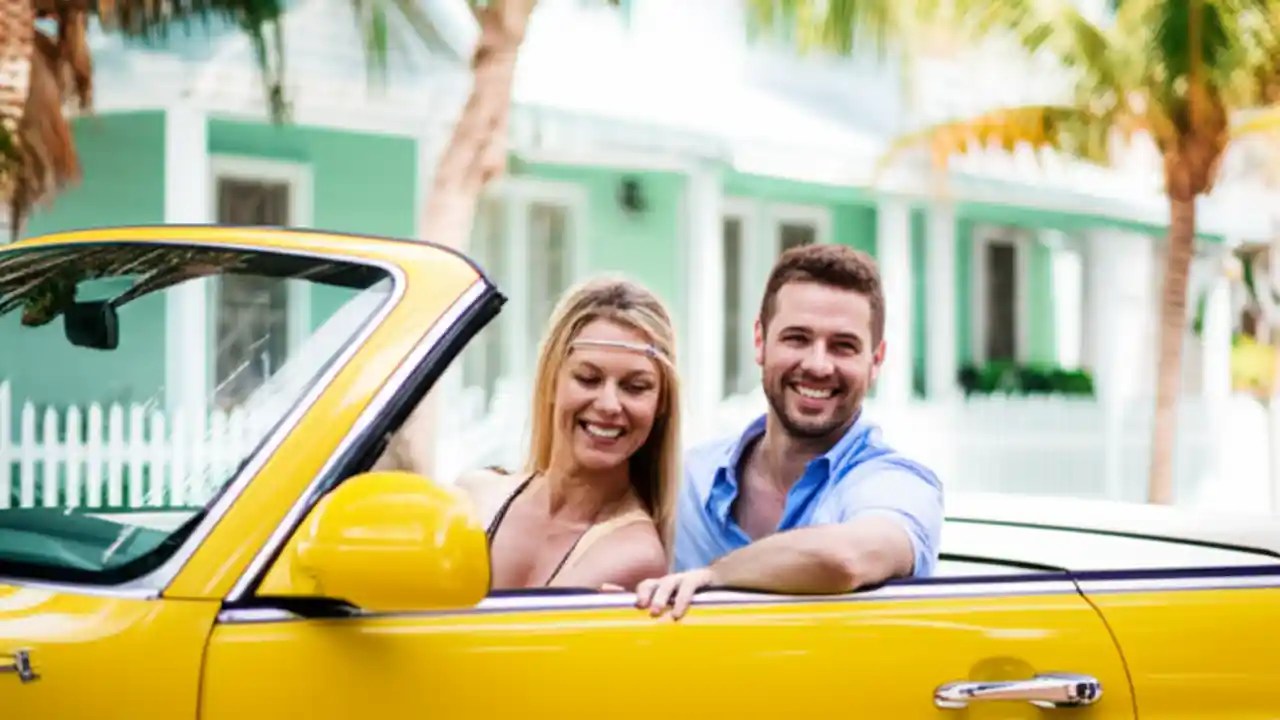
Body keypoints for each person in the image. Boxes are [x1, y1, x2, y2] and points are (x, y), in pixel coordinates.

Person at [635, 243, 943, 619]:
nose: (817, 365)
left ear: (875, 361)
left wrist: (714, 577)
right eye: (797, 338)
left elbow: (843, 560)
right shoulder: (686, 477)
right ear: (760, 341)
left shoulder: (899, 483)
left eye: (843, 346)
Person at [456, 277, 681, 592]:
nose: (608, 404)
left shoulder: (634, 553)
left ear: (661, 404)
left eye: (635, 387)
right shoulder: (476, 495)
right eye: (588, 379)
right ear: (551, 381)